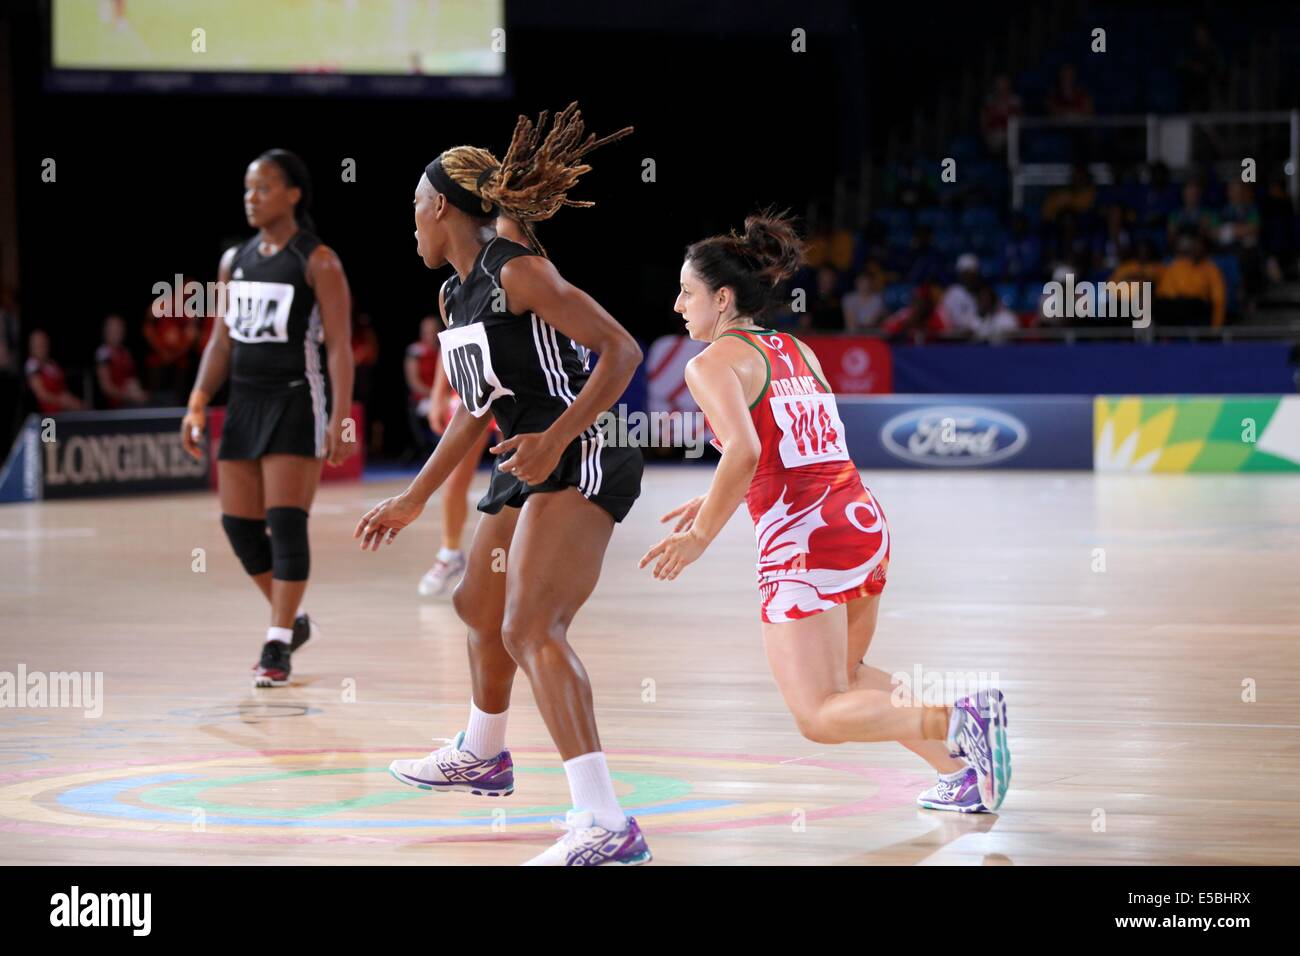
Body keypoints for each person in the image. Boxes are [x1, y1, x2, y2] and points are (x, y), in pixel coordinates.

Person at [353, 104, 652, 866]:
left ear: (440, 206)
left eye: (414, 208)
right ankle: (483, 753)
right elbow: (474, 410)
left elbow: (621, 351)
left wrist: (556, 436)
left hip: (580, 445)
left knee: (530, 628)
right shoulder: (455, 298)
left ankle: (606, 823)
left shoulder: (518, 270)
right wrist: (415, 498)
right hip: (527, 455)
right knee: (476, 604)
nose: (410, 223)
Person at [640, 212, 1011, 818]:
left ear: (723, 298)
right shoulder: (797, 349)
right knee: (846, 669)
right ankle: (960, 772)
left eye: (688, 292)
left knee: (816, 715)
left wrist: (702, 535)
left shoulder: (707, 365)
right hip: (859, 520)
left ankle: (961, 717)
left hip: (805, 543)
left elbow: (746, 450)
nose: (678, 304)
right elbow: (794, 450)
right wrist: (716, 498)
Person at [181, 149, 356, 687]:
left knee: (284, 523)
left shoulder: (317, 260)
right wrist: (196, 400)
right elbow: (221, 340)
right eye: (247, 189)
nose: (252, 198)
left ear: (294, 194)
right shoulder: (235, 260)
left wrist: (340, 417)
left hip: (294, 399)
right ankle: (293, 621)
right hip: (243, 403)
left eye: (264, 188)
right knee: (238, 527)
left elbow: (340, 347)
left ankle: (276, 643)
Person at [25, 329, 83, 413]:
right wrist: (61, 401)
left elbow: (63, 388)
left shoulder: (52, 364)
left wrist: (72, 400)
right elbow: (41, 395)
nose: (41, 347)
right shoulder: (32, 365)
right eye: (38, 344)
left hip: (62, 407)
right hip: (48, 412)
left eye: (43, 343)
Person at [95, 314, 147, 408]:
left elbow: (132, 378)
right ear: (106, 331)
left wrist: (137, 392)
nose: (117, 333)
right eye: (114, 329)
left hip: (131, 402)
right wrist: (128, 396)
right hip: (115, 406)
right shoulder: (103, 354)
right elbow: (106, 388)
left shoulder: (125, 353)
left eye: (119, 329)